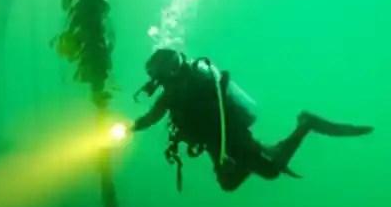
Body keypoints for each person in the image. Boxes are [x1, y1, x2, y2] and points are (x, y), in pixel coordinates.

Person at [129, 48, 373, 192]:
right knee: (228, 183)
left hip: (232, 133)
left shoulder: (199, 82)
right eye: (155, 76)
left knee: (270, 171)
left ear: (171, 69)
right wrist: (128, 128)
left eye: (159, 74)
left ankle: (305, 124)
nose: (157, 81)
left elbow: (218, 110)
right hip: (215, 142)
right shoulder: (169, 96)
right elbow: (151, 117)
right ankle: (266, 151)